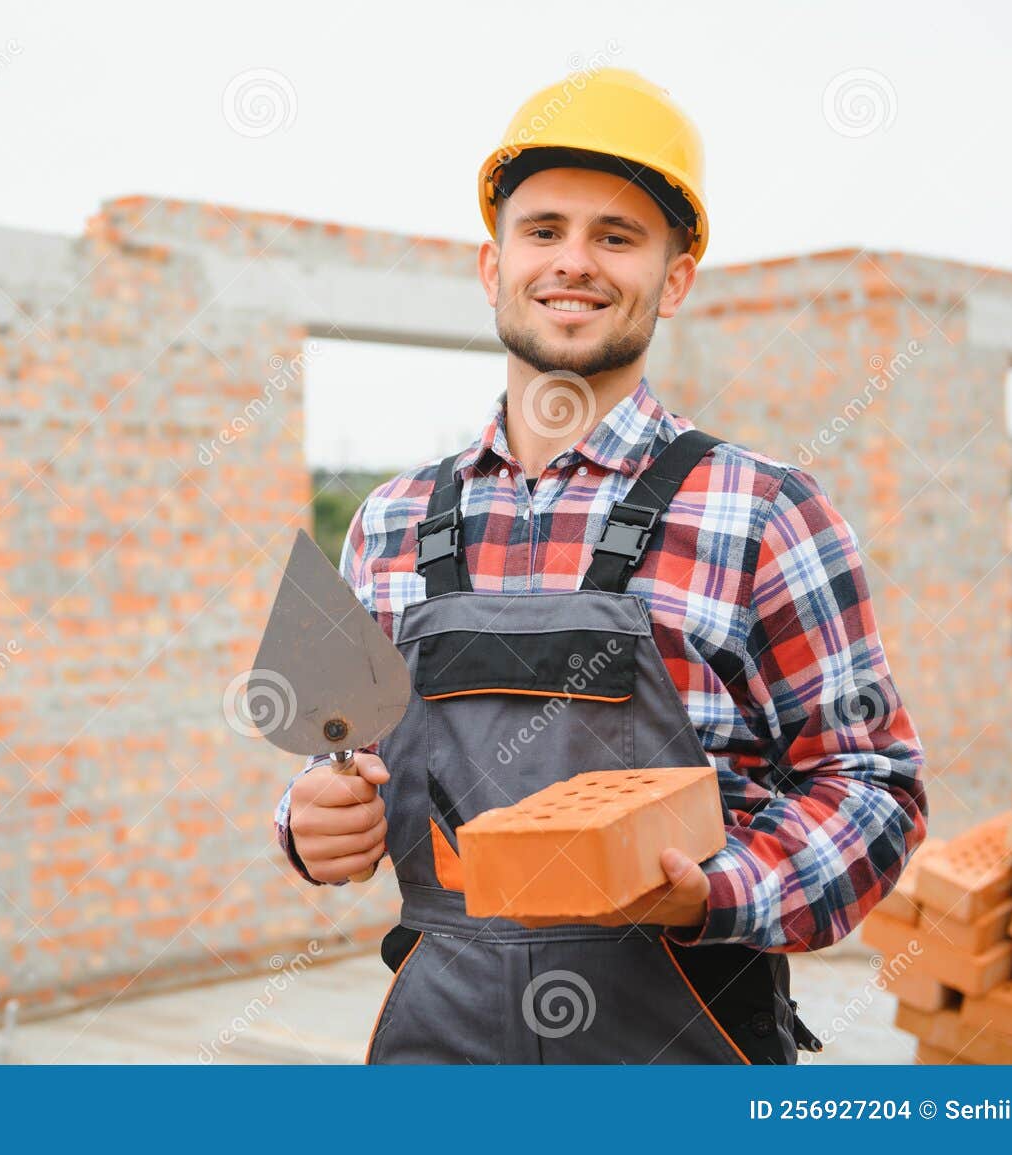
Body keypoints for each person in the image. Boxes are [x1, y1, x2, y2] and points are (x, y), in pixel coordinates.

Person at [271, 66, 927, 1063]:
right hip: (439, 1047)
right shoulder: (393, 522)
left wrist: (714, 890)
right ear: (491, 267)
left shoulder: (762, 513)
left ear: (673, 280)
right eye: (544, 231)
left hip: (680, 1044)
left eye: (615, 237)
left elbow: (872, 785)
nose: (573, 262)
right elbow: (346, 764)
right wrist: (307, 821)